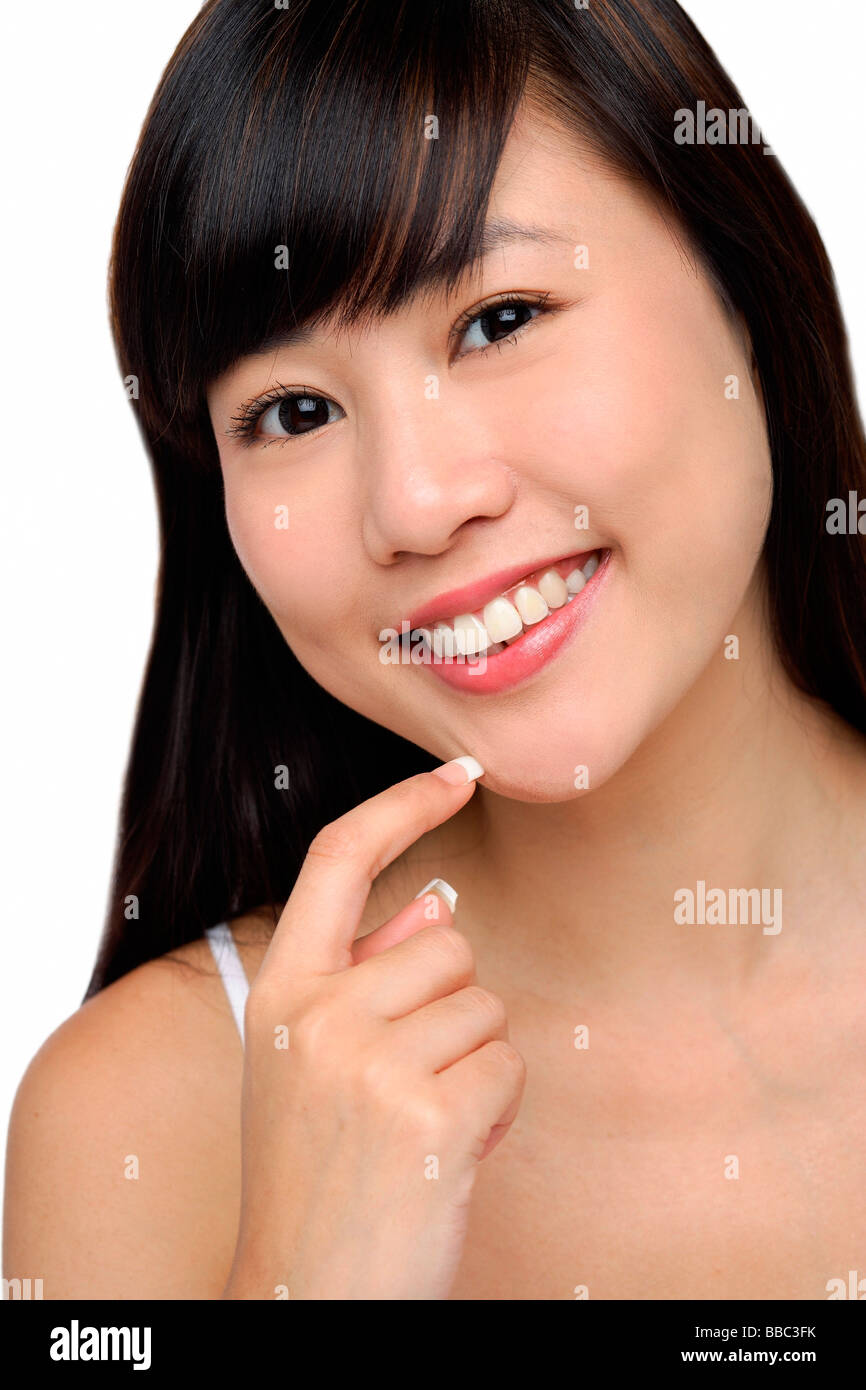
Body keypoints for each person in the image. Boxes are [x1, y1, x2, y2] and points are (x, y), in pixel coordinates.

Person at [5, 0, 866, 1300]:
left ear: (745, 289)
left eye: (501, 319)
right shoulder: (152, 1112)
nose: (413, 503)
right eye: (293, 410)